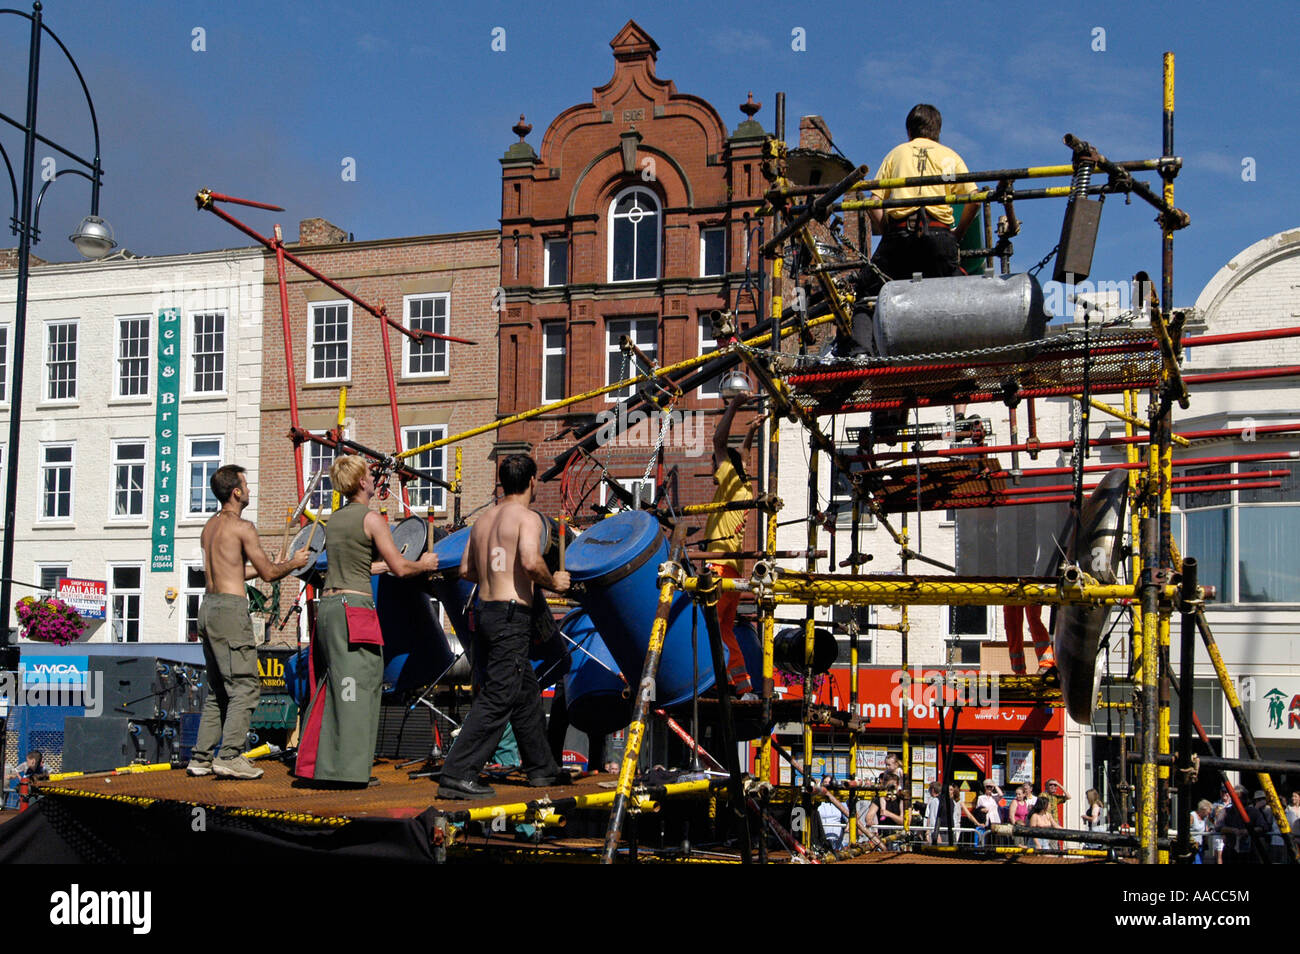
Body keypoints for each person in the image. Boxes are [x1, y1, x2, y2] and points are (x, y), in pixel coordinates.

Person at [295, 455, 438, 787]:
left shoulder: (336, 520)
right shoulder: (372, 519)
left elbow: (358, 566)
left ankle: (326, 764)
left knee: (334, 687)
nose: (375, 480)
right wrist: (425, 564)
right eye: (371, 476)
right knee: (358, 687)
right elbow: (403, 568)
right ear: (361, 482)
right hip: (353, 608)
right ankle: (348, 772)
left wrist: (386, 564)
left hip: (329, 608)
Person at [437, 454, 570, 799]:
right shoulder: (528, 519)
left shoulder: (483, 521)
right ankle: (458, 772)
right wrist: (554, 582)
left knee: (523, 693)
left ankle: (542, 768)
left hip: (485, 612)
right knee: (500, 695)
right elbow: (529, 561)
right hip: (512, 615)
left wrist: (495, 573)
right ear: (531, 482)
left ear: (502, 482)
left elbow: (465, 569)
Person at [190, 464, 312, 780]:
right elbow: (270, 574)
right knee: (245, 687)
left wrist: (275, 564)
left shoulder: (210, 527)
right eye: (245, 484)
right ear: (236, 492)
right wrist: (295, 563)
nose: (249, 489)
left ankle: (201, 758)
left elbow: (233, 572)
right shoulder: (243, 527)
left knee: (219, 690)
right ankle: (230, 756)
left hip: (208, 607)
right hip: (231, 611)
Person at [850, 103, 979, 364]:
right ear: (938, 130)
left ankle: (861, 352)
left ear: (909, 130)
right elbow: (975, 199)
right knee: (958, 287)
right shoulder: (950, 156)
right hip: (939, 237)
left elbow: (873, 203)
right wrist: (958, 235)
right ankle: (965, 354)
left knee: (867, 291)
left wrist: (887, 232)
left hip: (900, 237)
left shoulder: (896, 155)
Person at [706, 394, 758, 700]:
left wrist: (734, 406)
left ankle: (712, 680)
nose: (714, 467)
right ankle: (742, 686)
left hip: (717, 568)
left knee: (704, 627)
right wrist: (751, 431)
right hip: (733, 573)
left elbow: (718, 440)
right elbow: (745, 454)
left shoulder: (728, 482)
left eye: (717, 463)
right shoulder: (743, 485)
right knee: (724, 631)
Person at [976, 780, 1005, 846]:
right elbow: (977, 809)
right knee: (987, 836)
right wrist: (982, 810)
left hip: (995, 819)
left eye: (990, 787)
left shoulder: (995, 796)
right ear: (984, 788)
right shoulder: (981, 798)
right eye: (987, 787)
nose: (989, 789)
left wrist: (994, 785)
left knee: (995, 837)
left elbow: (1001, 794)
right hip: (986, 819)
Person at [1190, 799, 1214, 863]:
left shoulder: (1204, 818)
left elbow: (1205, 829)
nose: (1208, 814)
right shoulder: (1192, 816)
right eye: (1208, 812)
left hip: (1200, 847)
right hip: (1192, 847)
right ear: (1203, 810)